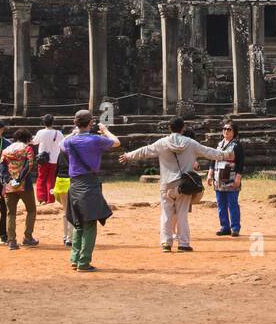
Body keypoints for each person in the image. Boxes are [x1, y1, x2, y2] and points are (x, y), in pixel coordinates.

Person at [120, 116, 232, 254]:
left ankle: (166, 243)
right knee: (182, 215)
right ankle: (184, 244)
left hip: (166, 184)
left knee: (166, 215)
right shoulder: (191, 143)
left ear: (169, 128)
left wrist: (128, 155)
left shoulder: (162, 143)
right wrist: (226, 155)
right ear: (183, 128)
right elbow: (209, 152)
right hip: (184, 184)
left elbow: (145, 151)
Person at [61, 110, 119, 271]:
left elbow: (61, 145)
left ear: (75, 123)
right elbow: (116, 142)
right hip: (89, 184)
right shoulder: (95, 139)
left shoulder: (70, 142)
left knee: (78, 223)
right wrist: (105, 131)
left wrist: (72, 133)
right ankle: (84, 262)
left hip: (74, 185)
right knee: (90, 224)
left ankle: (75, 258)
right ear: (90, 123)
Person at [0, 129, 38, 250]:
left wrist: (8, 179)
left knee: (11, 213)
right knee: (31, 210)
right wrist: (19, 179)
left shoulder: (6, 150)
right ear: (27, 138)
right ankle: (28, 236)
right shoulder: (27, 148)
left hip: (10, 185)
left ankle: (11, 241)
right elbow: (29, 165)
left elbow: (1, 166)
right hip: (24, 184)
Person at [208, 120, 245, 237]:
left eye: (229, 129)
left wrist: (238, 178)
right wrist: (210, 174)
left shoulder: (237, 146)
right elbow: (212, 160)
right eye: (224, 129)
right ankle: (224, 227)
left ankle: (235, 228)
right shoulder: (219, 145)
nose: (226, 131)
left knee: (232, 203)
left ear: (234, 132)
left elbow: (240, 163)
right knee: (221, 204)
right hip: (218, 178)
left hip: (231, 178)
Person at [32, 114, 64, 205]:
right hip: (54, 159)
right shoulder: (59, 133)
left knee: (41, 178)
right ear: (53, 122)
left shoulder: (41, 132)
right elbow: (62, 144)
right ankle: (50, 199)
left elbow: (34, 142)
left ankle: (42, 199)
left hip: (43, 160)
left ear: (43, 122)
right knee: (51, 179)